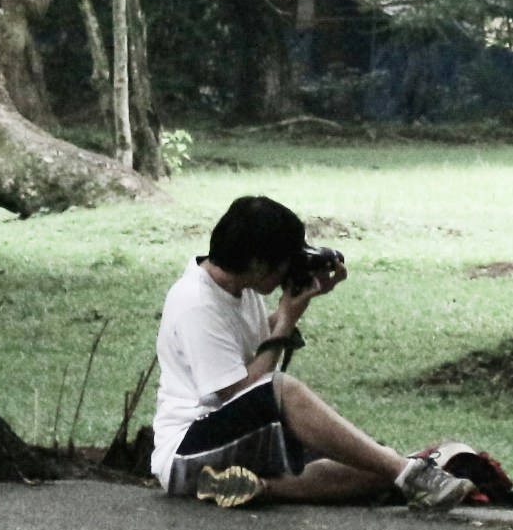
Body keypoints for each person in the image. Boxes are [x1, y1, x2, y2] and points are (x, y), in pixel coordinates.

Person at [152, 194, 472, 510]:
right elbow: (240, 393)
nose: (288, 269)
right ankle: (410, 471)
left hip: (225, 445)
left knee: (368, 464)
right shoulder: (196, 303)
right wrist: (287, 320)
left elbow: (252, 344)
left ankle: (256, 487)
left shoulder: (236, 287)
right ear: (257, 264)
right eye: (284, 262)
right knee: (284, 390)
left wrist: (298, 303)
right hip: (186, 451)